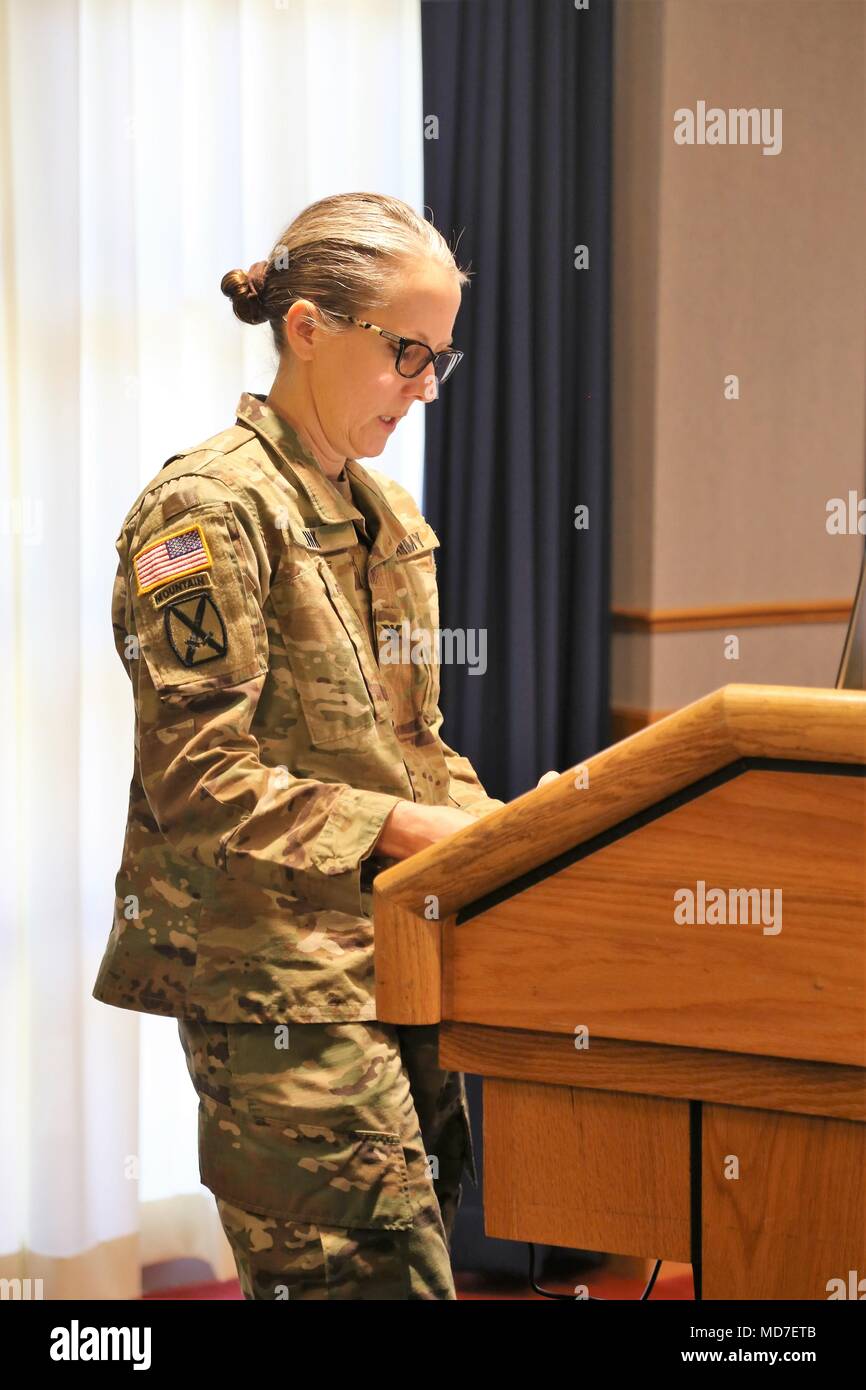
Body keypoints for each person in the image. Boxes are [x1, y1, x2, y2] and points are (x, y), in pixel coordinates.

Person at [92, 191, 509, 1300]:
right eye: (406, 353)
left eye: (441, 360)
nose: (425, 387)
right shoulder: (204, 513)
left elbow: (414, 747)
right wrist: (414, 827)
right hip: (272, 988)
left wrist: (523, 834)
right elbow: (200, 779)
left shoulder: (392, 519)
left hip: (397, 961)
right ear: (308, 327)